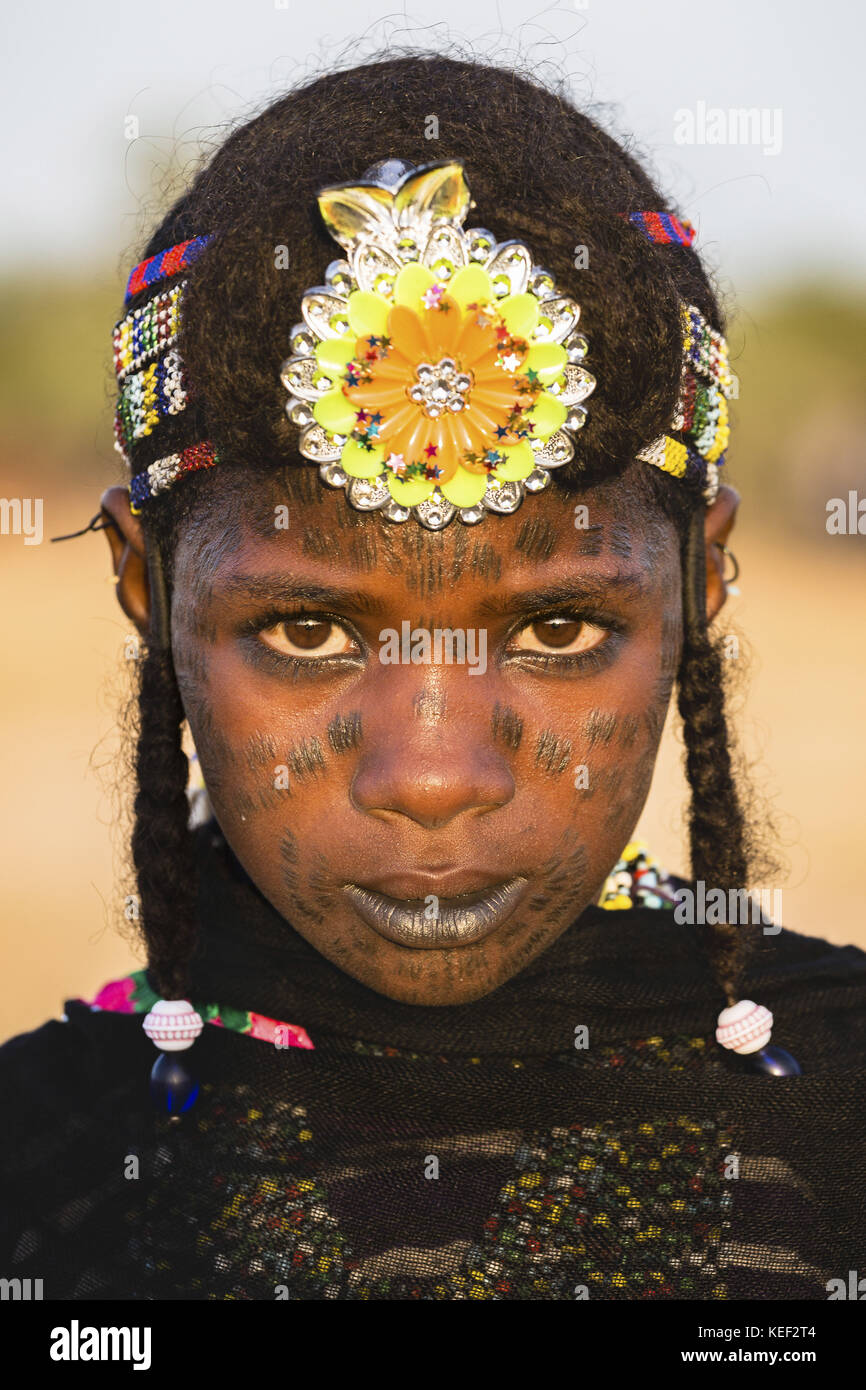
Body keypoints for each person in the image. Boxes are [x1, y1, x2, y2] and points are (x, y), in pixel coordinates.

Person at [2, 55, 864, 1302]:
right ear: (147, 588)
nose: (431, 775)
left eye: (558, 631)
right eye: (306, 632)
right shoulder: (43, 1171)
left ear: (698, 583)